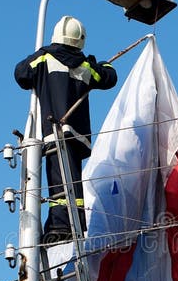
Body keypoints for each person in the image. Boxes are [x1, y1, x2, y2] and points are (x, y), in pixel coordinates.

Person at [14, 16, 117, 243]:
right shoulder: (86, 65)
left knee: (59, 181)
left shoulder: (44, 59)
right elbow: (109, 77)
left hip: (53, 131)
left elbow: (20, 73)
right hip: (77, 134)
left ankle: (60, 227)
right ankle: (72, 223)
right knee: (71, 181)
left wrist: (40, 52)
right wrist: (103, 63)